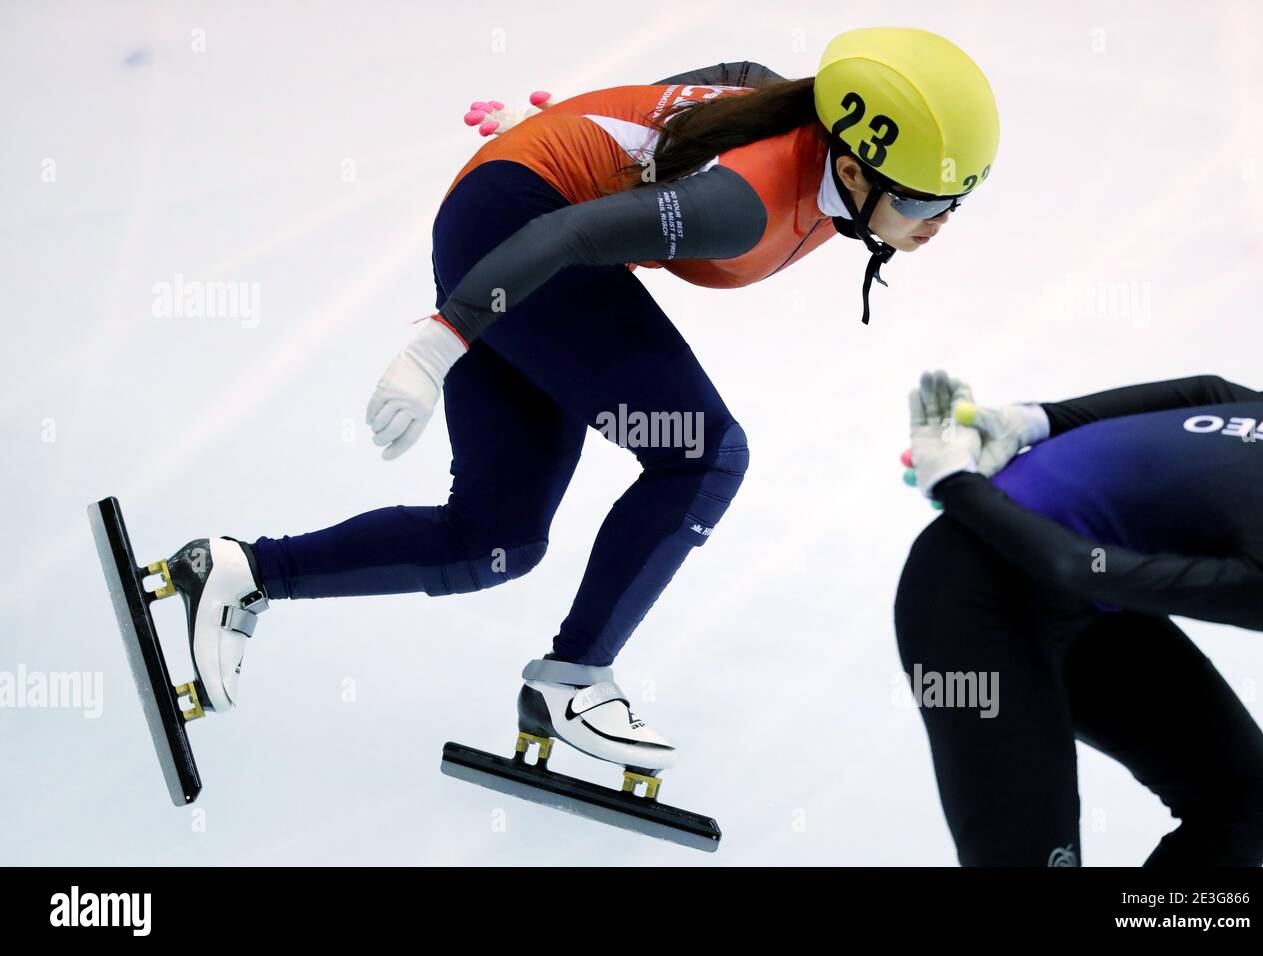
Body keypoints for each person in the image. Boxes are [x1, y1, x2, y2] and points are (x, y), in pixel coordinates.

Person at [160, 28, 1001, 780]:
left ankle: (240, 571)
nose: (941, 223)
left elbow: (727, 81)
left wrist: (565, 141)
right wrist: (438, 343)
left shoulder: (804, 127)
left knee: (494, 542)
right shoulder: (740, 206)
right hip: (522, 240)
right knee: (705, 453)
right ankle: (576, 682)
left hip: (519, 222)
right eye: (926, 202)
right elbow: (571, 236)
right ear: (851, 169)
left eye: (959, 202)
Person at [896, 371, 1263, 865]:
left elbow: (1087, 569)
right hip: (962, 602)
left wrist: (974, 470)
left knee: (1242, 801)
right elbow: (1211, 395)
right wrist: (1017, 434)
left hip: (1080, 594)